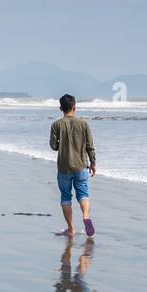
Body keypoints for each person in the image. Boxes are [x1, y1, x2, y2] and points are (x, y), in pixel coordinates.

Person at [50, 93, 96, 237]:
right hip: (81, 165)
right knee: (83, 194)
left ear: (60, 108)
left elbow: (53, 145)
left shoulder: (56, 125)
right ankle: (86, 217)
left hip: (64, 166)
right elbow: (90, 146)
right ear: (74, 107)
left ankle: (70, 229)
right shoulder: (83, 124)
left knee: (65, 197)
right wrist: (93, 163)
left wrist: (61, 144)